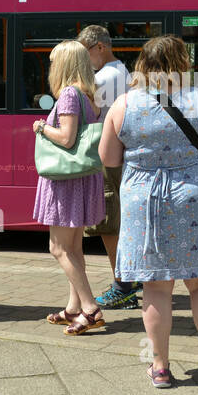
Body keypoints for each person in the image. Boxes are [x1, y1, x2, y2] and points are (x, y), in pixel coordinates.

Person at [99, 35, 198, 387]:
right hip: (194, 197)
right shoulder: (196, 100)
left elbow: (108, 158)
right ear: (182, 63)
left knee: (156, 288)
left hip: (144, 201)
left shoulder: (123, 104)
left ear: (142, 64)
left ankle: (160, 367)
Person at [35, 41, 106, 336]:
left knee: (58, 248)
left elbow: (66, 137)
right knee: (74, 248)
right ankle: (72, 308)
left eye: (53, 62)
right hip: (81, 178)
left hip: (65, 182)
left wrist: (41, 127)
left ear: (63, 64)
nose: (51, 67)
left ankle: (90, 309)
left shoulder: (67, 94)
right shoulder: (88, 94)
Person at [76, 25, 140, 311]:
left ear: (100, 47)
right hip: (119, 156)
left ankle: (122, 287)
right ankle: (128, 280)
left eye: (86, 52)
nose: (85, 59)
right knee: (116, 220)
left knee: (108, 222)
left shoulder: (105, 78)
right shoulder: (120, 72)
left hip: (109, 159)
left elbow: (88, 116)